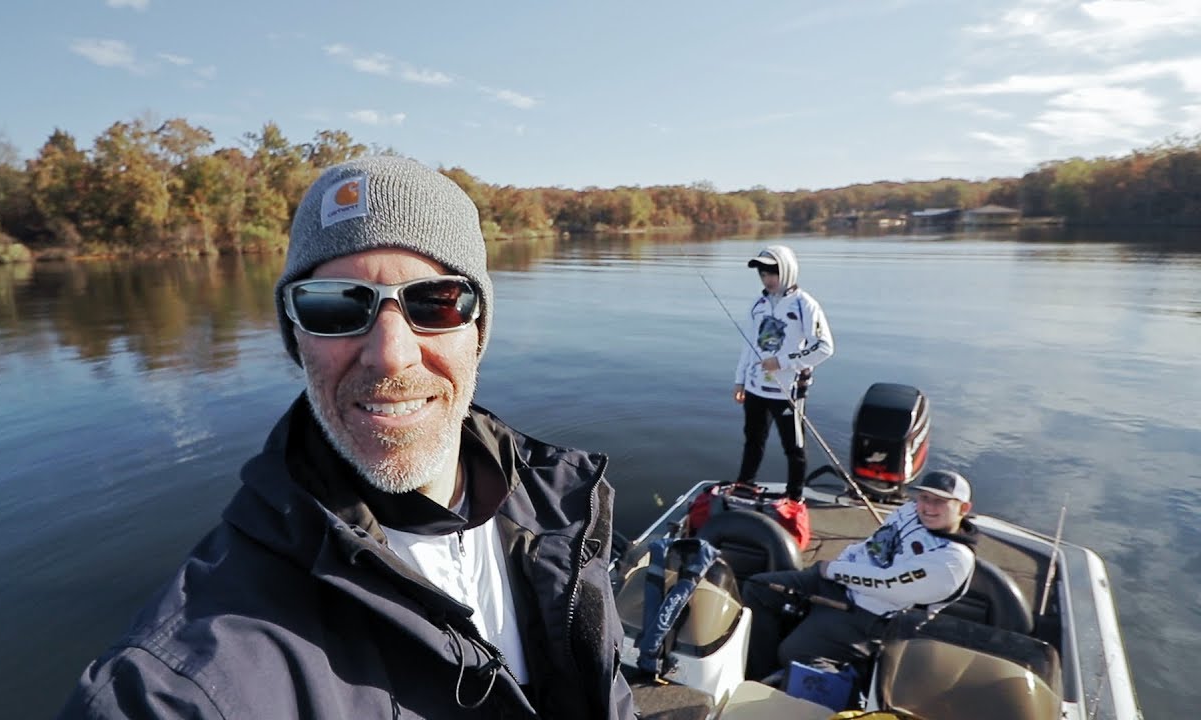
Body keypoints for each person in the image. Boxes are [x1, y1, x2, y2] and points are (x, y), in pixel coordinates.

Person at [57, 157, 637, 719]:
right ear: (297, 338)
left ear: (477, 329)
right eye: (336, 307)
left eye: (434, 303)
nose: (391, 353)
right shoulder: (191, 675)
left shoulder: (560, 504)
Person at [741, 470, 979, 681]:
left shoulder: (952, 560)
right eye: (924, 498)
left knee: (793, 652)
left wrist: (833, 570)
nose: (927, 507)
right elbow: (873, 544)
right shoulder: (909, 511)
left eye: (940, 502)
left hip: (872, 616)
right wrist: (841, 564)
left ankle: (851, 678)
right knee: (759, 588)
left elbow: (887, 583)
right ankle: (761, 674)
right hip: (837, 582)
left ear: (963, 508)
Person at [732, 244, 834, 502]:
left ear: (787, 271)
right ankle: (744, 486)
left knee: (794, 447)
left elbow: (824, 347)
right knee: (753, 441)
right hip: (755, 389)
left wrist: (783, 362)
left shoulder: (805, 305)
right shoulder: (758, 305)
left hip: (788, 391)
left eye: (772, 273)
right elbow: (749, 345)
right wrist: (740, 380)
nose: (767, 279)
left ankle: (795, 496)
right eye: (763, 274)